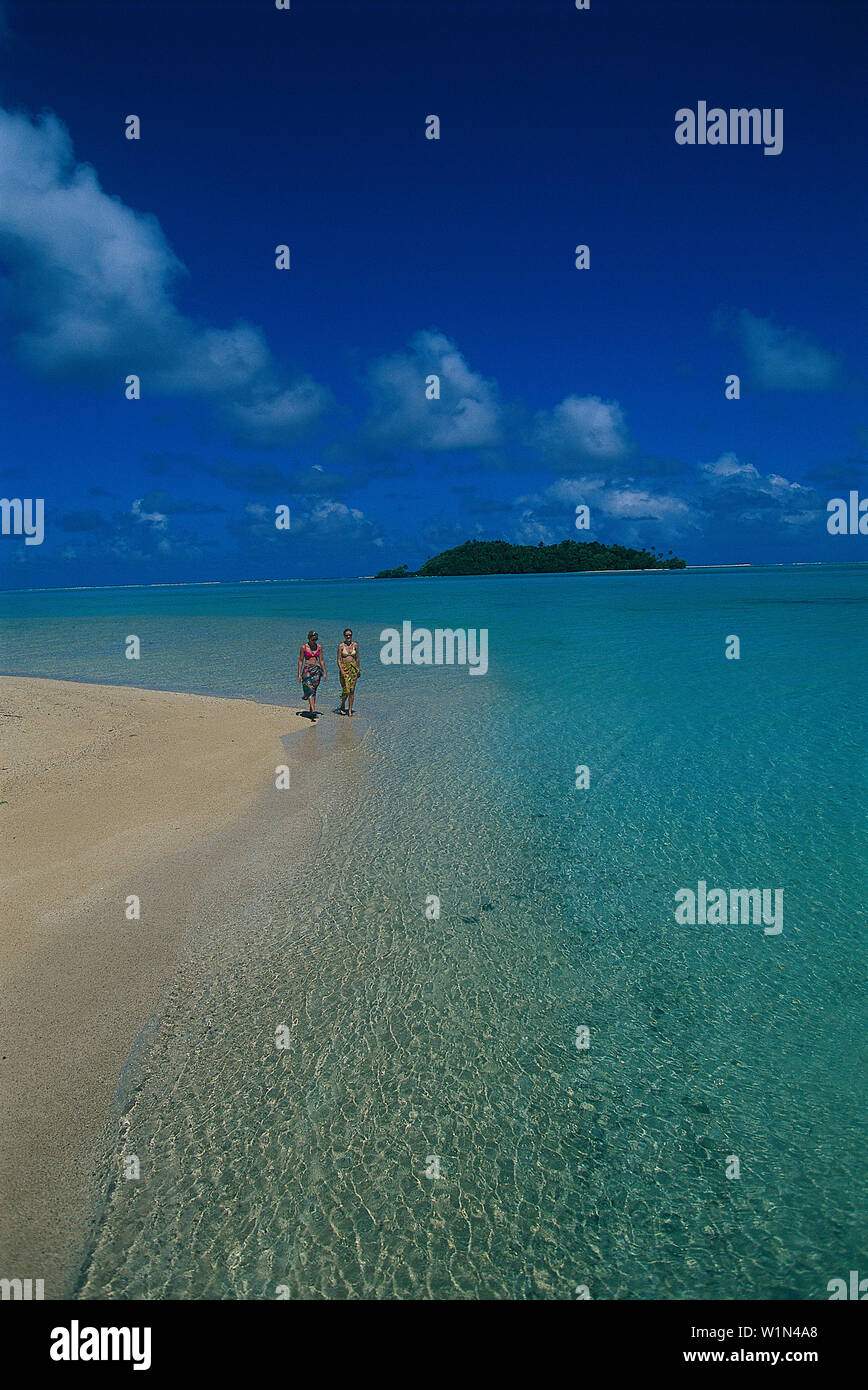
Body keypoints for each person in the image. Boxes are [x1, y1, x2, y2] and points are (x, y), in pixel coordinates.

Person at [298, 630, 326, 719]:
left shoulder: (319, 647)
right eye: (312, 639)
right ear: (309, 638)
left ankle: (311, 710)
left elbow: (321, 660)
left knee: (314, 690)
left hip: (316, 670)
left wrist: (324, 672)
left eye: (315, 639)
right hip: (307, 670)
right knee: (309, 688)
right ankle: (313, 710)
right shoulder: (303, 647)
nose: (314, 641)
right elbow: (300, 661)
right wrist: (299, 674)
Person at [337, 627, 360, 716]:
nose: (348, 637)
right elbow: (338, 660)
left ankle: (350, 709)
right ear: (344, 636)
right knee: (345, 689)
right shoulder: (341, 646)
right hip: (344, 668)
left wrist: (358, 669)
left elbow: (357, 658)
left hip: (353, 669)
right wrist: (342, 671)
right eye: (346, 635)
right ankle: (343, 705)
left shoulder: (355, 645)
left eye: (350, 635)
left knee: (352, 690)